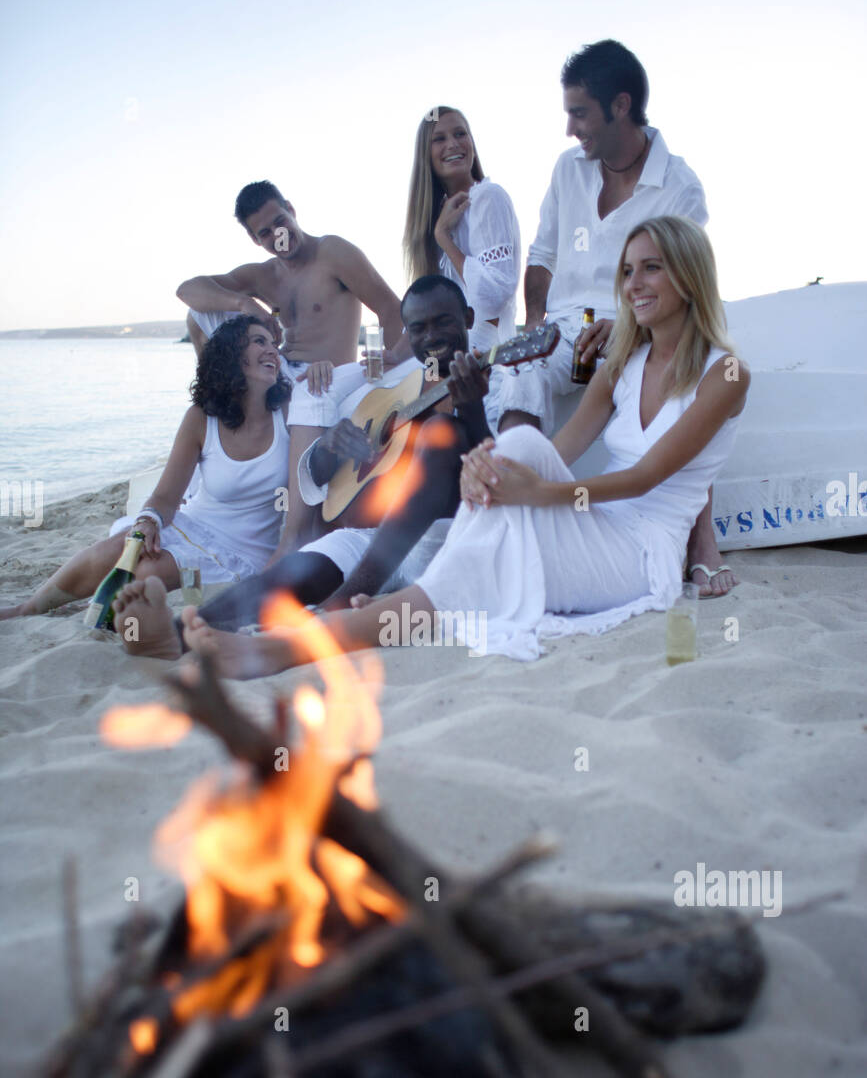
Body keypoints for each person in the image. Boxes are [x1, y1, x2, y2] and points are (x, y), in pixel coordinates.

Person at [169, 216, 750, 677]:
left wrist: (531, 484)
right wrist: (487, 469)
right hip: (583, 521)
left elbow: (647, 477)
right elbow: (560, 448)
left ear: (689, 275)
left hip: (641, 552)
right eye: (627, 271)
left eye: (652, 268)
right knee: (515, 448)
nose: (634, 284)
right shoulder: (623, 362)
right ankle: (256, 636)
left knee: (487, 512)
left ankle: (295, 645)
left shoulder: (726, 376)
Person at [112, 276, 493, 657]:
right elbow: (311, 475)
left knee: (445, 431)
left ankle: (336, 608)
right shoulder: (394, 383)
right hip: (365, 535)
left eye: (442, 322)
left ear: (469, 317)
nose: (431, 337)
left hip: (439, 540)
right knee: (290, 574)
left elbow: (501, 479)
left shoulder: (501, 376)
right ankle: (177, 631)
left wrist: (473, 408)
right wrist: (330, 447)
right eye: (418, 328)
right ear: (405, 334)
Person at [492, 39, 734, 598]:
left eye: (579, 112)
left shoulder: (679, 185)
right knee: (520, 372)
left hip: (640, 322)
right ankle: (518, 499)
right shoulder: (567, 169)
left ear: (620, 105)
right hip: (562, 325)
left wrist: (627, 325)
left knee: (690, 363)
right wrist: (534, 323)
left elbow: (683, 281)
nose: (570, 128)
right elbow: (544, 255)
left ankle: (702, 541)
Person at [0, 317, 291, 623]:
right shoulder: (202, 418)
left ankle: (100, 611)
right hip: (192, 526)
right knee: (128, 542)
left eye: (274, 344)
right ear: (232, 354)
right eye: (260, 341)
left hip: (245, 555)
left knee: (151, 569)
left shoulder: (289, 414)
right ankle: (28, 608)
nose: (273, 350)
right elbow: (166, 496)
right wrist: (148, 521)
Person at [176, 180, 406, 548]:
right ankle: (221, 412)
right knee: (197, 317)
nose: (277, 236)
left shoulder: (333, 253)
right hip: (282, 368)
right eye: (265, 233)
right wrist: (243, 304)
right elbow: (188, 290)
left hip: (332, 374)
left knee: (311, 395)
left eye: (280, 221)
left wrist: (386, 379)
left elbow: (391, 308)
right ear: (255, 240)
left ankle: (298, 530)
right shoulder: (264, 275)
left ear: (291, 209)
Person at [403, 106, 521, 355]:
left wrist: (444, 238)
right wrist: (394, 355)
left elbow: (492, 299)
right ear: (426, 154)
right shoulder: (434, 218)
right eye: (439, 138)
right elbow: (424, 316)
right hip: (445, 350)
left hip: (485, 352)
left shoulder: (488, 197)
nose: (453, 144)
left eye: (460, 134)